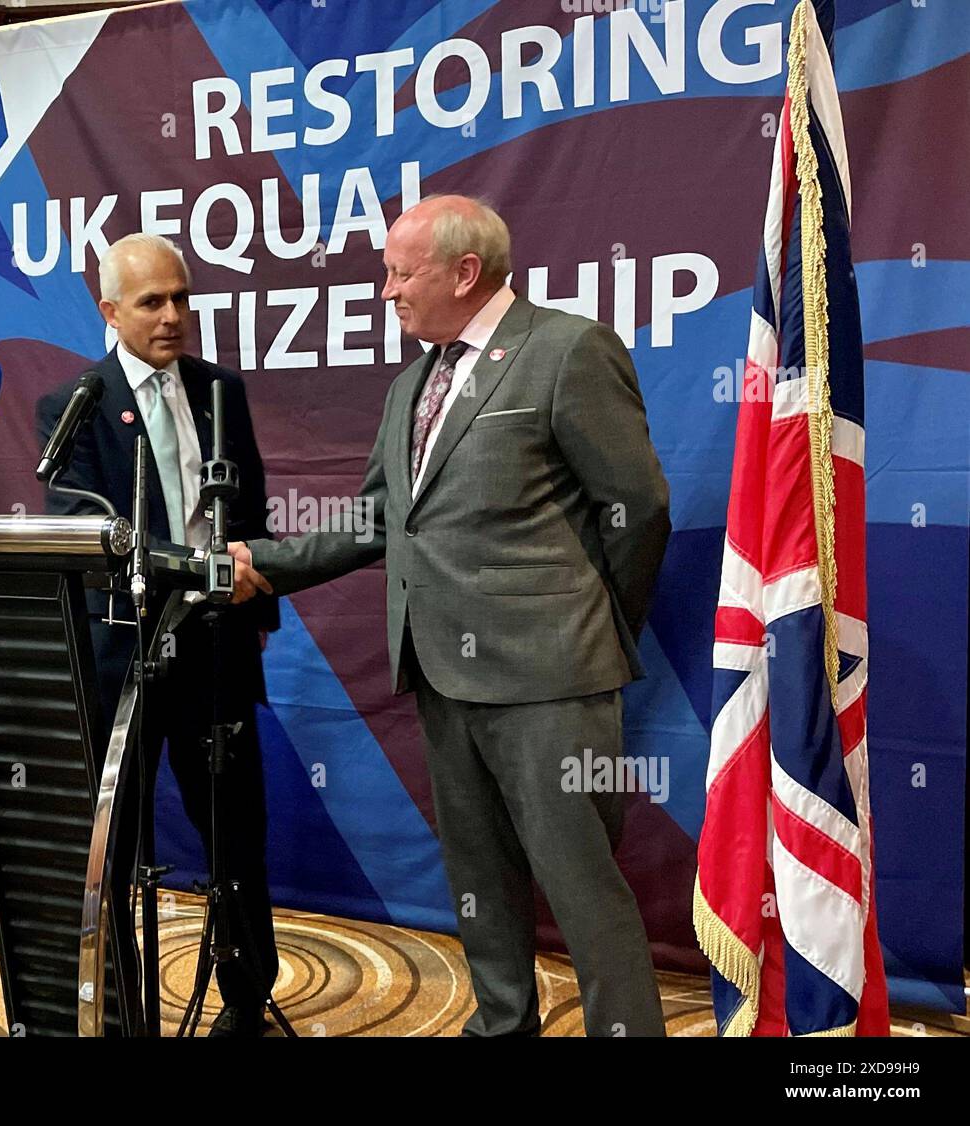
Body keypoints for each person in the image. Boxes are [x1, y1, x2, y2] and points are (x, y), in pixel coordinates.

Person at [230, 196, 671, 1037]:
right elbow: (375, 521)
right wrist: (264, 564)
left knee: (582, 885)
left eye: (401, 272)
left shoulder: (567, 350)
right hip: (438, 670)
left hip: (552, 680)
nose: (386, 290)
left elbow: (639, 509)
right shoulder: (411, 385)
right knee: (479, 877)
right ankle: (502, 1026)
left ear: (465, 272)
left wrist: (595, 630)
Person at [35, 233, 278, 1038]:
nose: (173, 315)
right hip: (122, 660)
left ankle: (246, 996)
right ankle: (119, 1009)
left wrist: (254, 616)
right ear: (110, 311)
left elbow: (251, 518)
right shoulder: (71, 406)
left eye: (181, 297)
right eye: (151, 302)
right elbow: (89, 534)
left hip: (218, 652)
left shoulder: (221, 391)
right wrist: (192, 571)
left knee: (236, 832)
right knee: (115, 845)